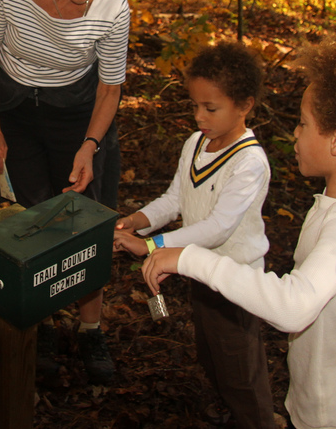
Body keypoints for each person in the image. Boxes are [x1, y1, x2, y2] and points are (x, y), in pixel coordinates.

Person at [143, 37, 336, 429]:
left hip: (335, 415)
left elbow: (294, 307)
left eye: (303, 123)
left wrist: (190, 258)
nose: (295, 134)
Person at [0, 0, 131, 384]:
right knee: (31, 215)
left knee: (86, 219)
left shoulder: (113, 8)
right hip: (17, 108)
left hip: (79, 111)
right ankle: (40, 318)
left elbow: (110, 87)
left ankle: (90, 328)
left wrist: (89, 146)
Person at [113, 41, 276, 429]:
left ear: (245, 105)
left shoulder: (249, 162)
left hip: (236, 280)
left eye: (210, 108)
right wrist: (138, 220)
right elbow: (176, 198)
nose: (199, 116)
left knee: (240, 367)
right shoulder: (196, 143)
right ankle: (230, 409)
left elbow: (218, 228)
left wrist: (151, 245)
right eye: (195, 106)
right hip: (200, 269)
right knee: (212, 352)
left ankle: (256, 421)